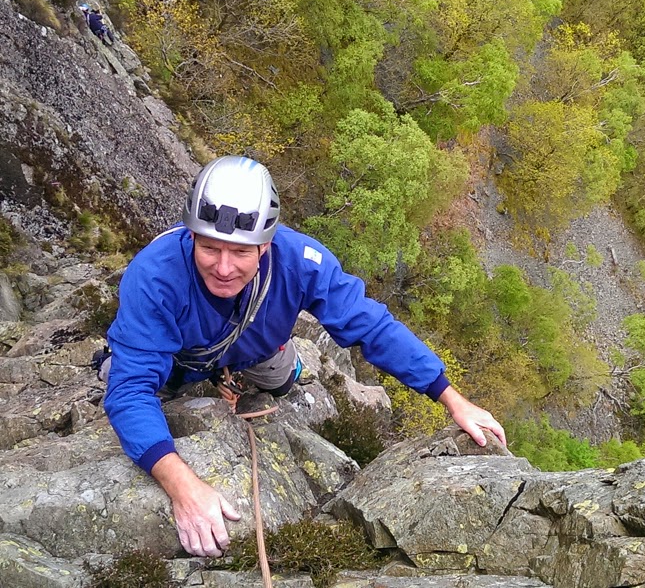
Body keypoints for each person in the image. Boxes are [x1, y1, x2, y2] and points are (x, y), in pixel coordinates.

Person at [100, 155, 507, 558]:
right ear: (190, 238)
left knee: (283, 381)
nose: (224, 267)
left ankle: (259, 365)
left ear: (265, 244)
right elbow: (132, 391)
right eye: (210, 248)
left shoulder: (301, 261)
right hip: (179, 357)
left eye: (241, 252)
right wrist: (182, 486)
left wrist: (450, 397)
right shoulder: (155, 275)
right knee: (131, 379)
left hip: (255, 348)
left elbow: (372, 326)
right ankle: (124, 357)